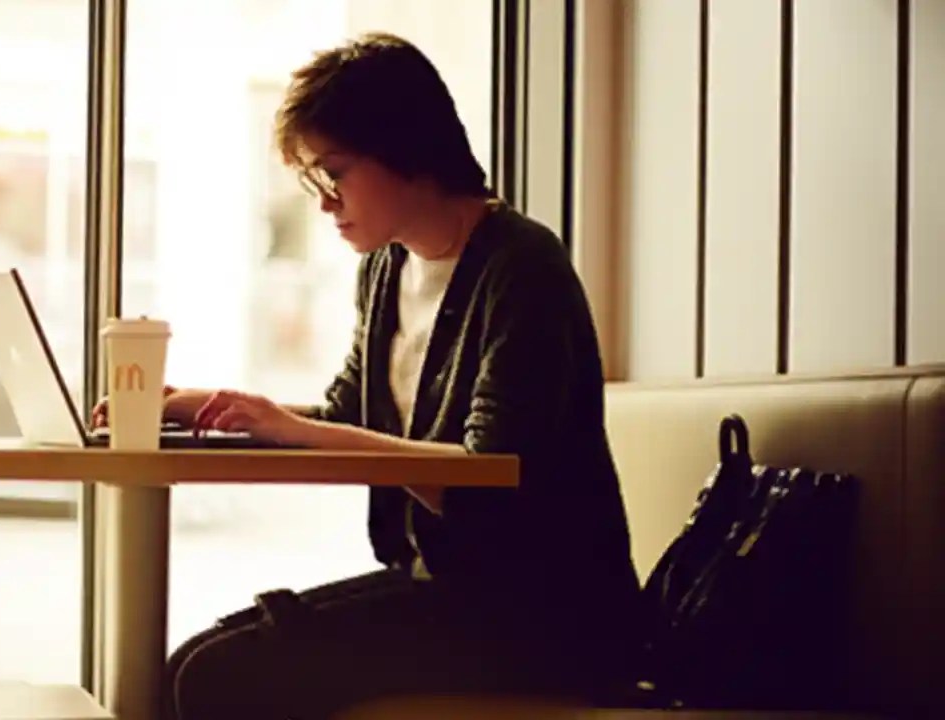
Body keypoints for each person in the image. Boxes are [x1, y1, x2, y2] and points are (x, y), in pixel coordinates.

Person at [92, 31, 641, 720]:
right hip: (444, 591)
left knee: (215, 677)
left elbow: (489, 479)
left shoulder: (522, 265)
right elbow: (349, 419)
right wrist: (203, 406)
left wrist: (285, 426)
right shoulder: (387, 269)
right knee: (186, 667)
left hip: (547, 616)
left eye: (336, 172)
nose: (324, 202)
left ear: (405, 150)